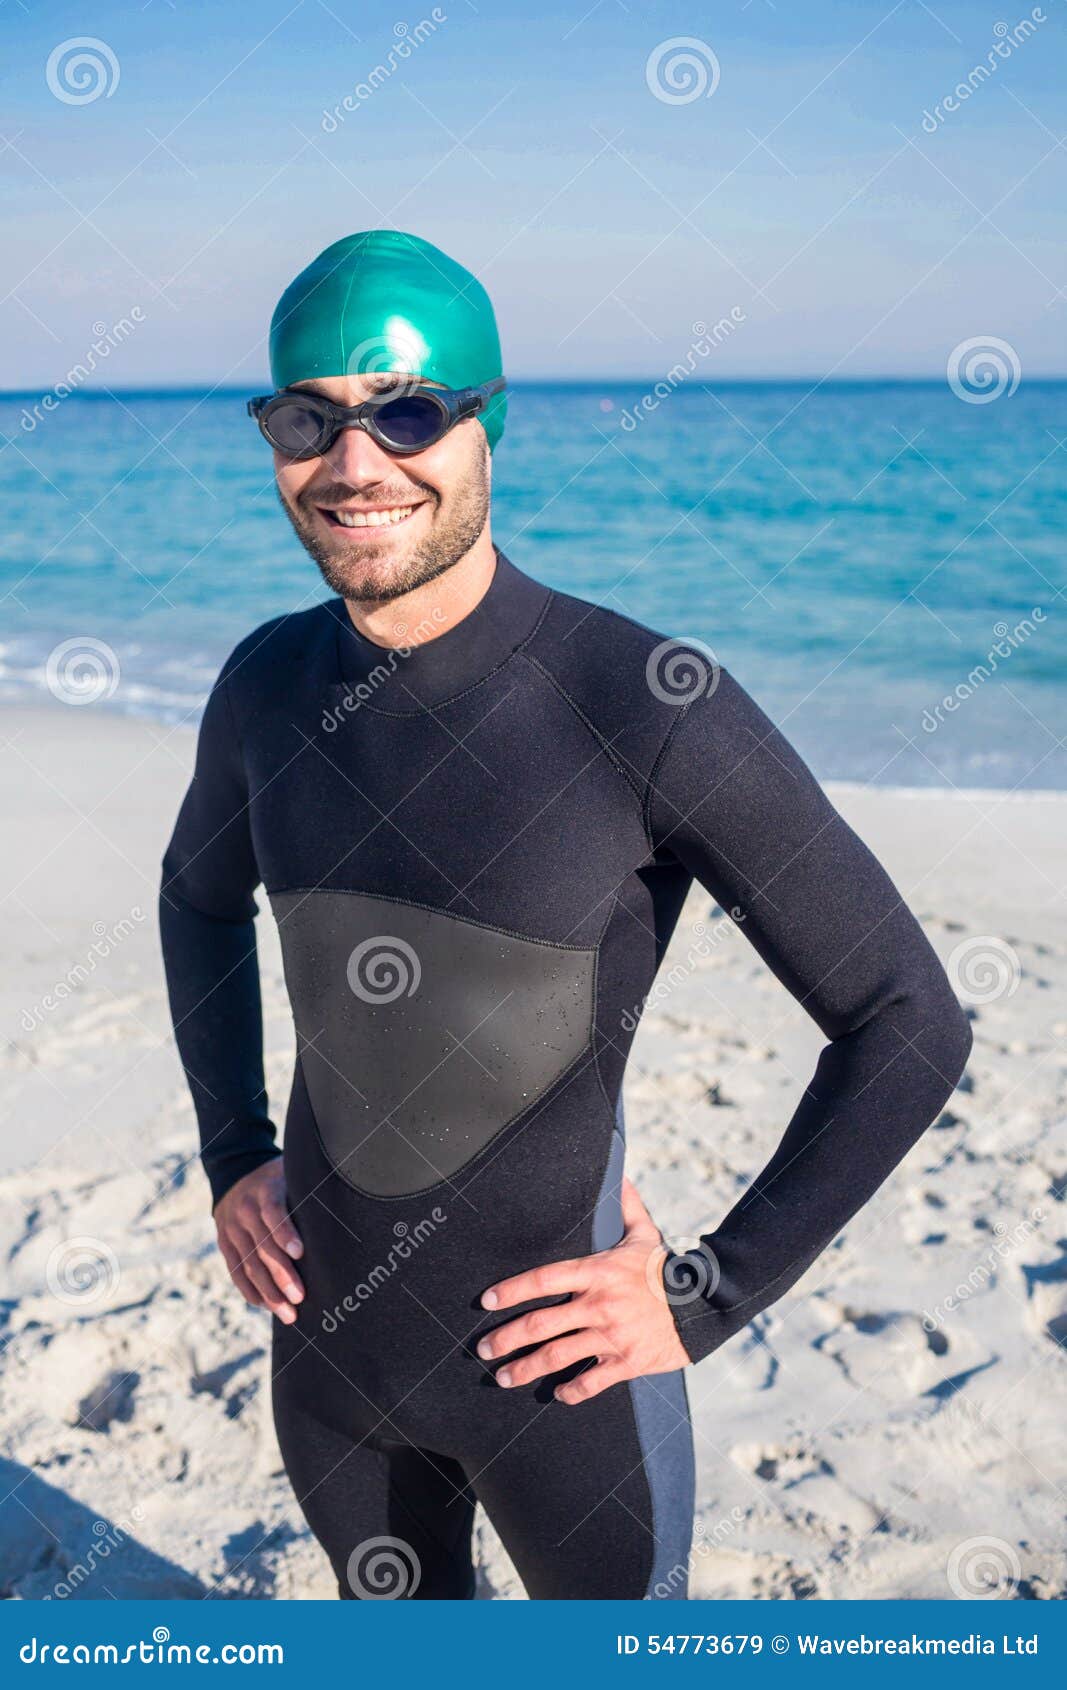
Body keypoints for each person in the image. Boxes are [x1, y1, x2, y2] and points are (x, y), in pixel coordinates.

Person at [160, 229, 972, 1601]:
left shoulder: (641, 700)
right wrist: (233, 1147)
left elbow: (908, 1018)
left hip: (569, 1404)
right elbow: (194, 899)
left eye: (407, 412)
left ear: (490, 427)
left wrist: (709, 1292)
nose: (355, 465)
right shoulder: (265, 688)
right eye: (308, 419)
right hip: (331, 1377)